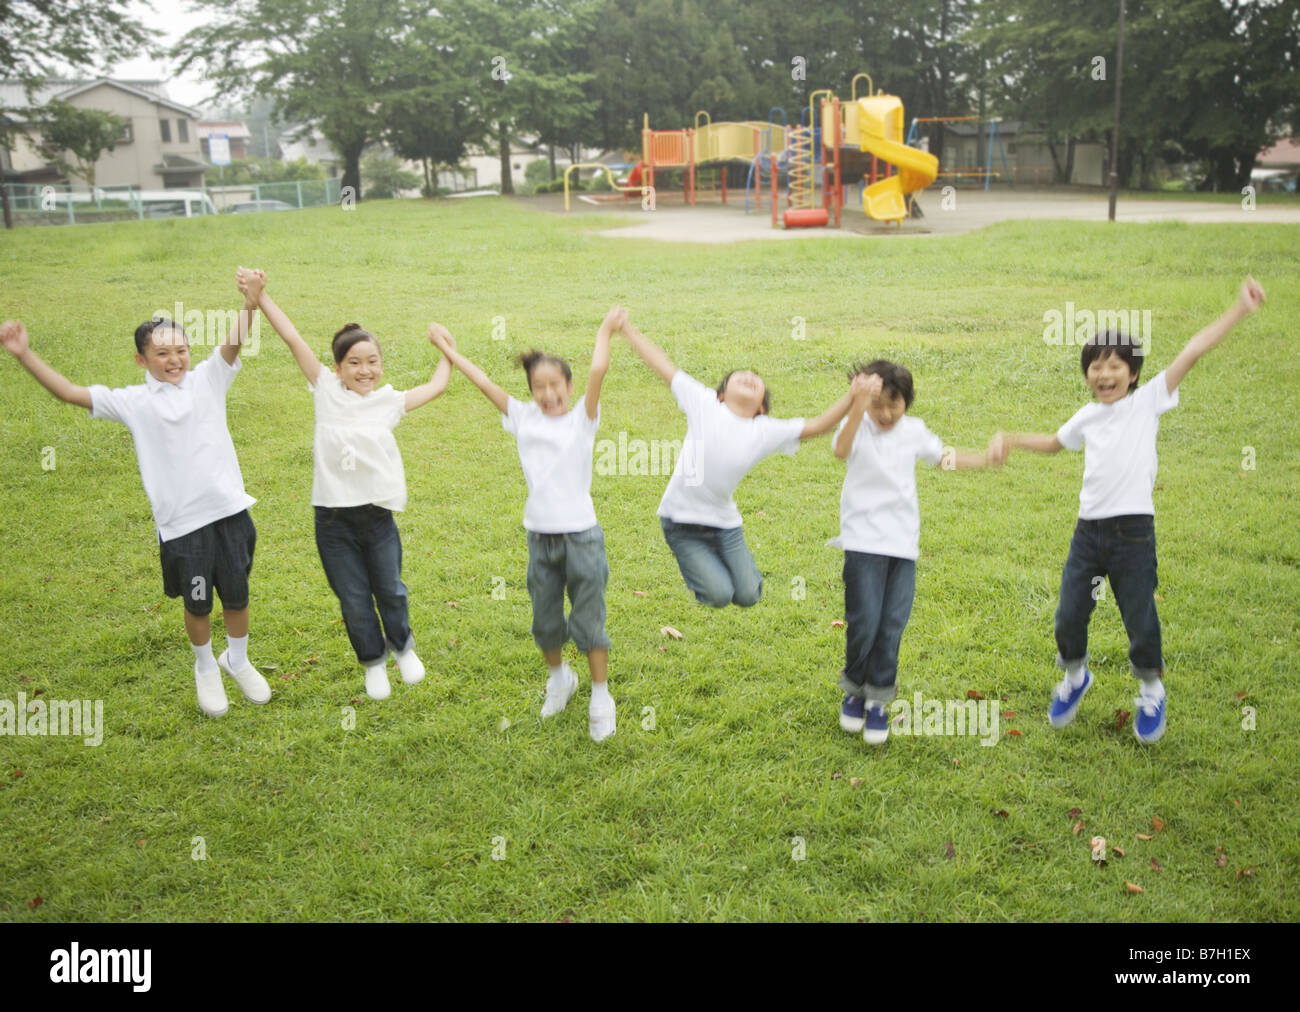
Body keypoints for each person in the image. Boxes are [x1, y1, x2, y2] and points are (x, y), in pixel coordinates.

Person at [993, 277, 1267, 743]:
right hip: (1088, 534)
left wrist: (1239, 310)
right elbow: (1055, 444)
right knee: (1069, 613)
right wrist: (1012, 440)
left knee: (1139, 615)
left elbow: (1193, 351)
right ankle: (1075, 677)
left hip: (1133, 534)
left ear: (1133, 373)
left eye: (1114, 365)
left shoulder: (1148, 402)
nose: (1103, 374)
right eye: (1095, 366)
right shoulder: (1087, 416)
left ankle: (1151, 689)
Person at [0, 269, 269, 717]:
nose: (175, 359)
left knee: (238, 596)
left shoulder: (209, 379)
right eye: (162, 353)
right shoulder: (134, 403)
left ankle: (236, 660)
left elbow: (233, 342)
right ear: (142, 360)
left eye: (181, 349)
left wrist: (251, 303)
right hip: (184, 526)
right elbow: (69, 393)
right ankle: (205, 667)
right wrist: (25, 355)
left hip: (230, 511)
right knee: (198, 602)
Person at [248, 278, 452, 701]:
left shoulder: (388, 401)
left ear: (381, 365)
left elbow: (435, 388)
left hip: (377, 516)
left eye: (373, 361)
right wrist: (260, 296)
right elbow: (290, 336)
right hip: (333, 520)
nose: (365, 370)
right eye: (354, 362)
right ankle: (373, 662)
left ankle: (403, 649)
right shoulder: (324, 389)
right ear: (337, 367)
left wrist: (446, 351)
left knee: (391, 588)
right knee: (354, 598)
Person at [428, 311, 622, 741]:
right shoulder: (522, 417)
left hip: (583, 539)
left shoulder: (583, 420)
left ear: (569, 388)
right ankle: (559, 679)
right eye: (540, 387)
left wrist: (605, 328)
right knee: (545, 621)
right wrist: (447, 349)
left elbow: (598, 368)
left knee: (589, 622)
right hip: (541, 539)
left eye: (556, 386)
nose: (549, 394)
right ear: (531, 391)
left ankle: (600, 695)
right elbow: (482, 383)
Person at [619, 316, 853, 608]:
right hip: (681, 523)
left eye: (757, 381)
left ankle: (716, 561)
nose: (748, 376)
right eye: (739, 374)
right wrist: (627, 329)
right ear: (721, 394)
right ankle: (699, 565)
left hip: (724, 525)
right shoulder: (703, 403)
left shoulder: (765, 430)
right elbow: (661, 364)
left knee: (747, 595)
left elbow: (818, 426)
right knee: (718, 595)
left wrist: (854, 396)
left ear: (761, 407)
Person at [834, 361, 1001, 743]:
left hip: (903, 545)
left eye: (895, 404)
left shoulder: (913, 432)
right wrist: (858, 405)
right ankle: (854, 688)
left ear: (907, 402)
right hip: (862, 543)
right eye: (878, 405)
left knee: (891, 623)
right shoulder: (857, 427)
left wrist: (984, 459)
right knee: (864, 621)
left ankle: (878, 697)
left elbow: (943, 458)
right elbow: (840, 451)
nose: (886, 414)